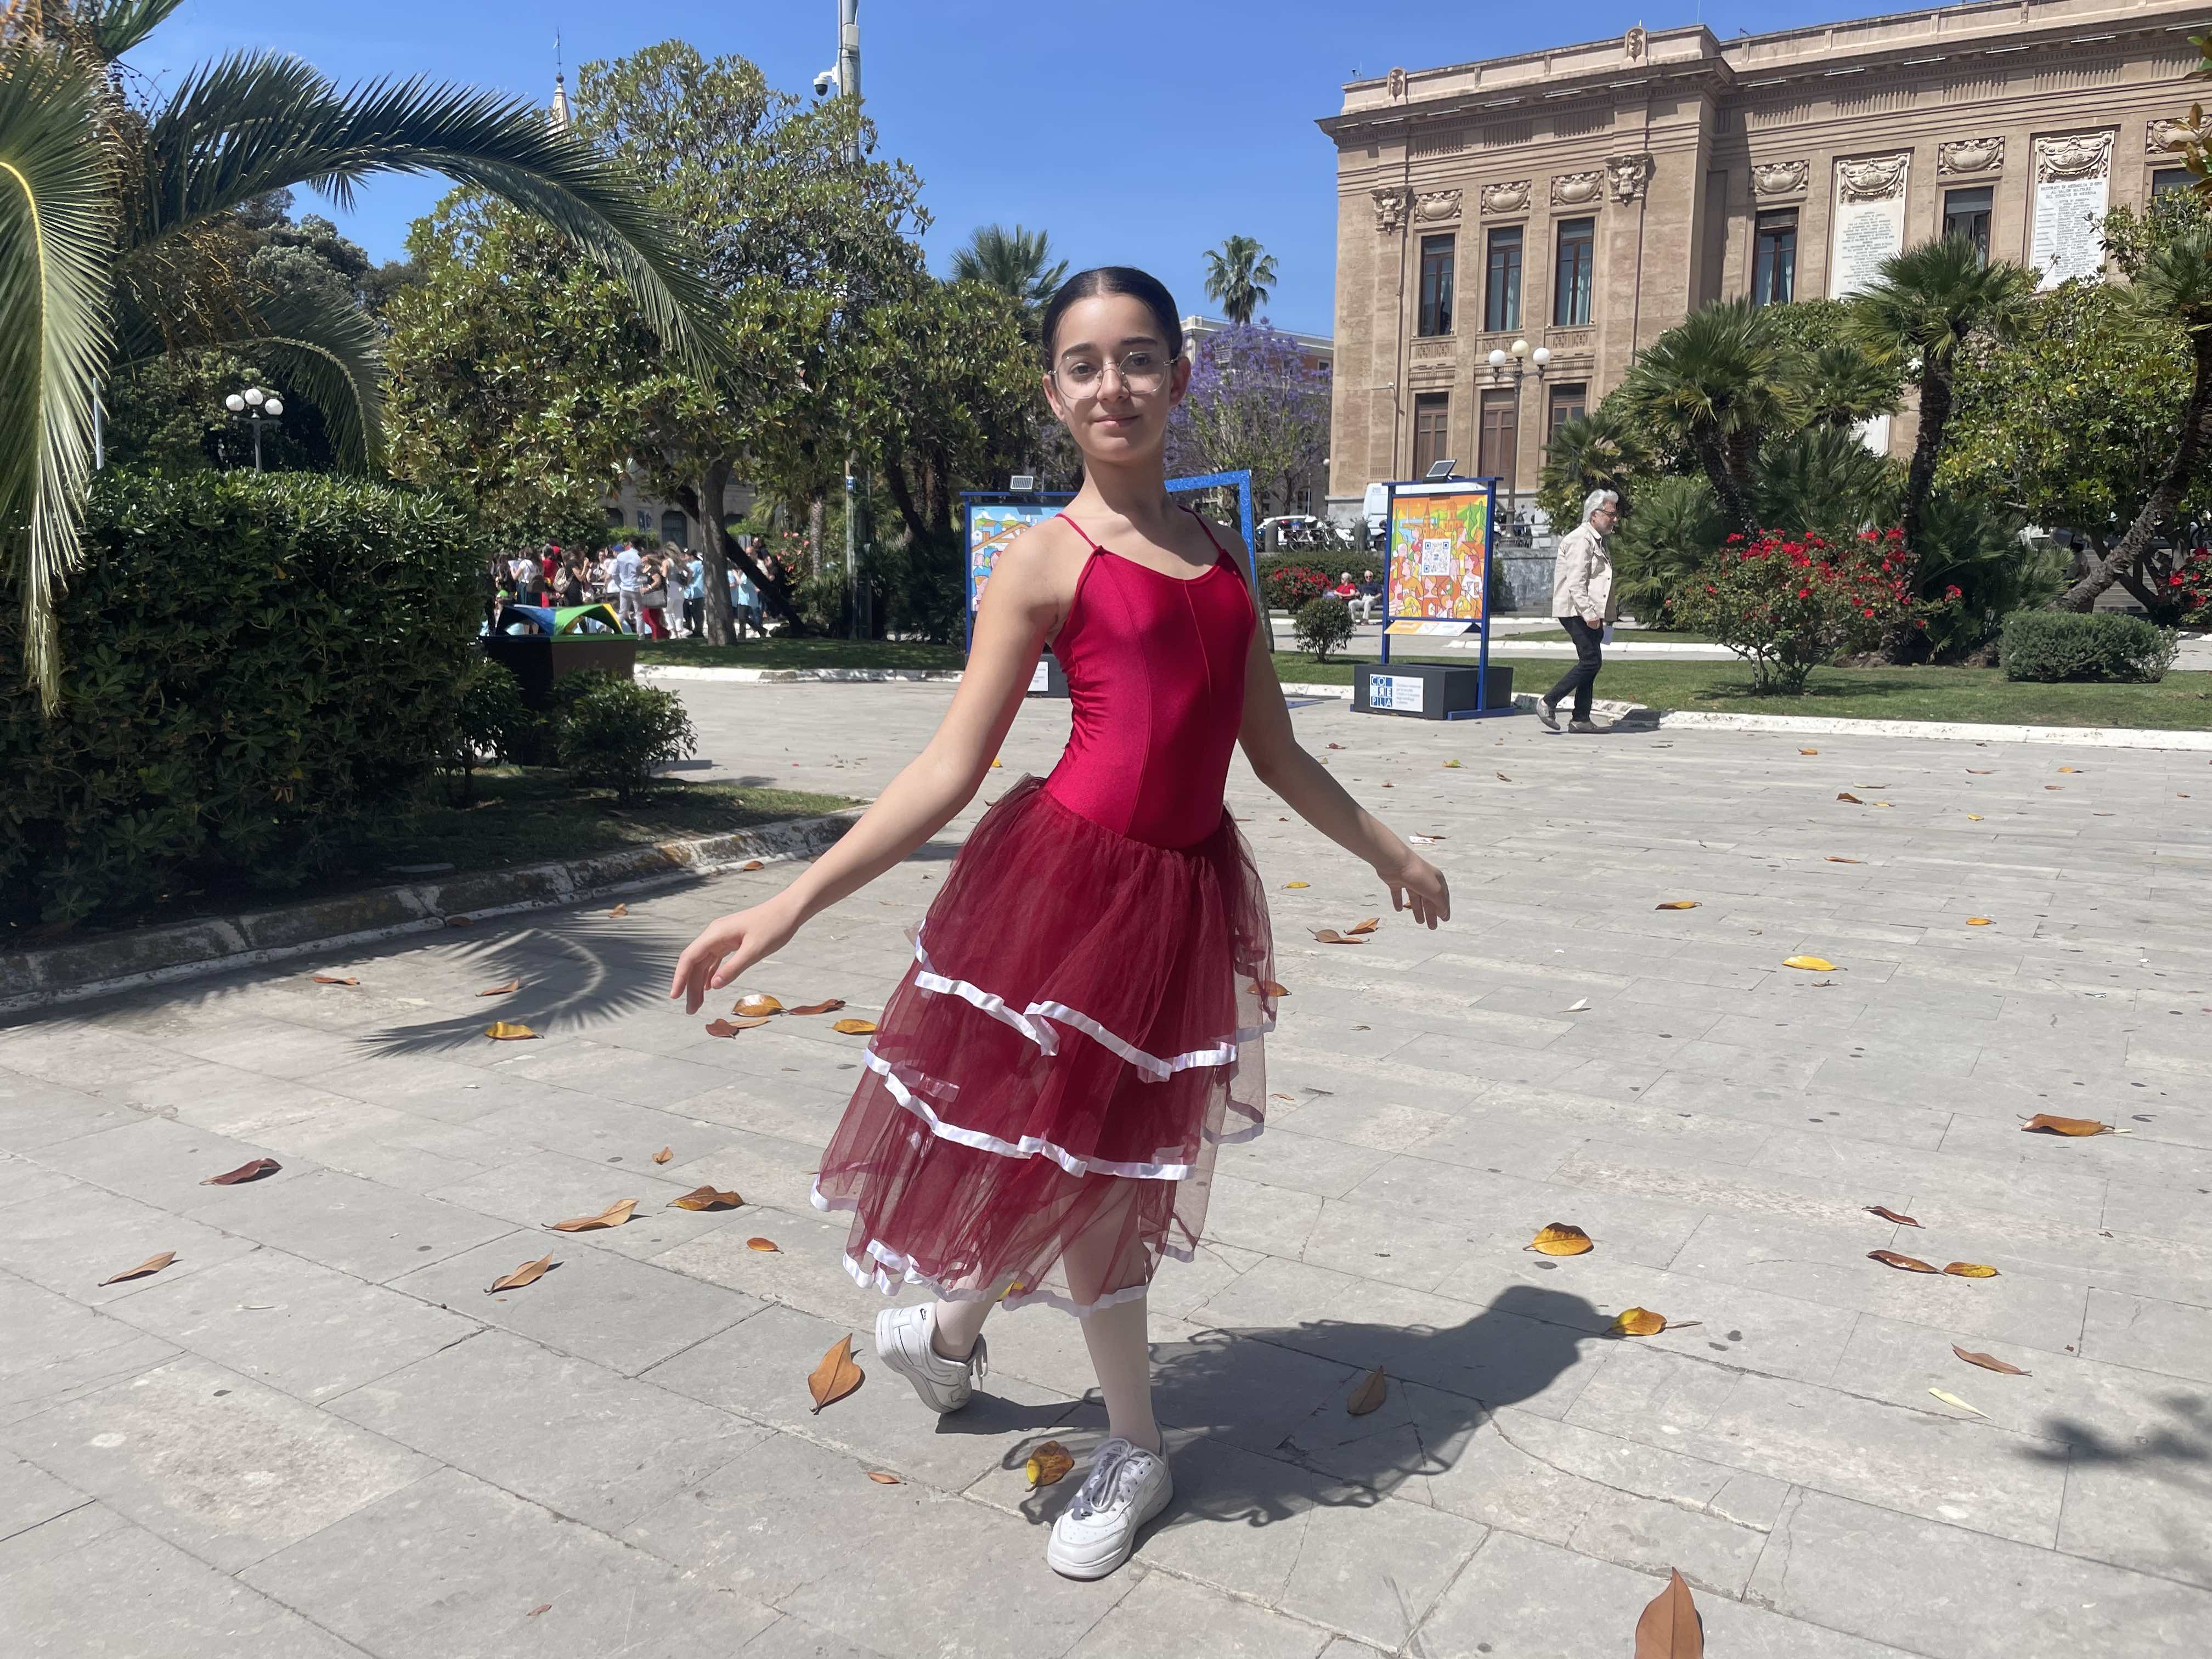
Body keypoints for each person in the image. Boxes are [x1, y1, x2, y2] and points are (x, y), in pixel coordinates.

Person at [669, 266, 1451, 1582]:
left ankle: (948, 1332)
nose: (1114, 386)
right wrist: (789, 904)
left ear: (1181, 377)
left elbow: (1273, 755)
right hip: (1069, 897)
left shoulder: (1218, 557)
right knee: (1099, 1175)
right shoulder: (1047, 558)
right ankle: (1137, 1445)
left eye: (1138, 359)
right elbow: (946, 768)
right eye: (1084, 365)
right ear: (1054, 393)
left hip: (1186, 894)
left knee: (1094, 1162)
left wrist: (1390, 850)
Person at [1536, 488, 1621, 734]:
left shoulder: (1596, 540)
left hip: (1589, 612)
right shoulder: (1580, 539)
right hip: (1576, 611)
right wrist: (1589, 613)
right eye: (1610, 514)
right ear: (1594, 515)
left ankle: (1581, 719)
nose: (1614, 519)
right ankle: (1548, 702)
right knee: (1591, 661)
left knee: (1592, 663)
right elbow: (1576, 581)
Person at [609, 539, 645, 634]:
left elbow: (614, 573)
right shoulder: (640, 557)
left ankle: (614, 631)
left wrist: (620, 584)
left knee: (622, 613)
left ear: (631, 544)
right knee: (639, 614)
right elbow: (644, 574)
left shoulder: (621, 556)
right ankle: (641, 636)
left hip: (624, 588)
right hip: (636, 588)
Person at [640, 550, 672, 640]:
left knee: (650, 617)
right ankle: (664, 633)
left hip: (653, 596)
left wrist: (649, 588)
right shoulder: (643, 570)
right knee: (647, 618)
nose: (641, 559)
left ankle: (656, 636)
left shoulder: (653, 569)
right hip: (645, 597)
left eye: (642, 557)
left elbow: (658, 581)